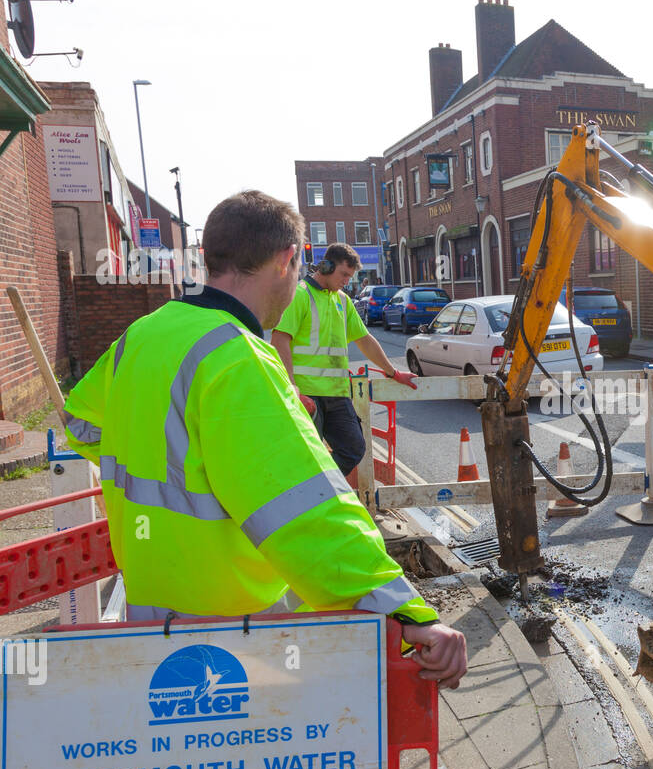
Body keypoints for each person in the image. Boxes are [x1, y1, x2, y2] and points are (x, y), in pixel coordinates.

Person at [64, 191, 467, 688]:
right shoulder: (237, 357)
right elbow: (309, 513)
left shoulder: (145, 332)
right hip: (231, 633)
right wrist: (407, 612)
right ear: (288, 260)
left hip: (150, 616)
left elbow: (81, 424)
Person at [270, 243, 418, 489]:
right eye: (343, 275)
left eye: (351, 277)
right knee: (306, 456)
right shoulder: (300, 295)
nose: (347, 282)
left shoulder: (342, 301)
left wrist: (393, 372)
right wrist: (293, 388)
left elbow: (365, 340)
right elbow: (280, 339)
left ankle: (315, 490)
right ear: (326, 266)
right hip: (308, 395)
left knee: (353, 448)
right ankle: (309, 505)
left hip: (337, 394)